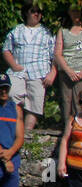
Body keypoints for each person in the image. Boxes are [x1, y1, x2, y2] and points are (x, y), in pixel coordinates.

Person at [3, 2, 55, 132]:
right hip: (18, 71)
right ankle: (15, 130)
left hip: (39, 72)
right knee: (13, 95)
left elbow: (55, 55)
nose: (37, 14)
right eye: (33, 11)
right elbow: (6, 50)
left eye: (39, 11)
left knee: (35, 102)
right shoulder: (16, 30)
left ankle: (26, 134)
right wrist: (14, 65)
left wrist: (52, 73)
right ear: (27, 12)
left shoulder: (47, 32)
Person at [52, 5, 82, 127]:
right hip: (66, 73)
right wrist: (68, 71)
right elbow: (57, 53)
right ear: (69, 12)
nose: (76, 13)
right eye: (73, 11)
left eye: (78, 10)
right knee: (67, 104)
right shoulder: (63, 30)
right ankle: (68, 131)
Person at [0, 73, 22, 187]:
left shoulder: (16, 109)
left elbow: (20, 137)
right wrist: (4, 158)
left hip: (12, 159)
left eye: (6, 88)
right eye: (0, 89)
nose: (3, 92)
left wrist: (10, 153)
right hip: (5, 160)